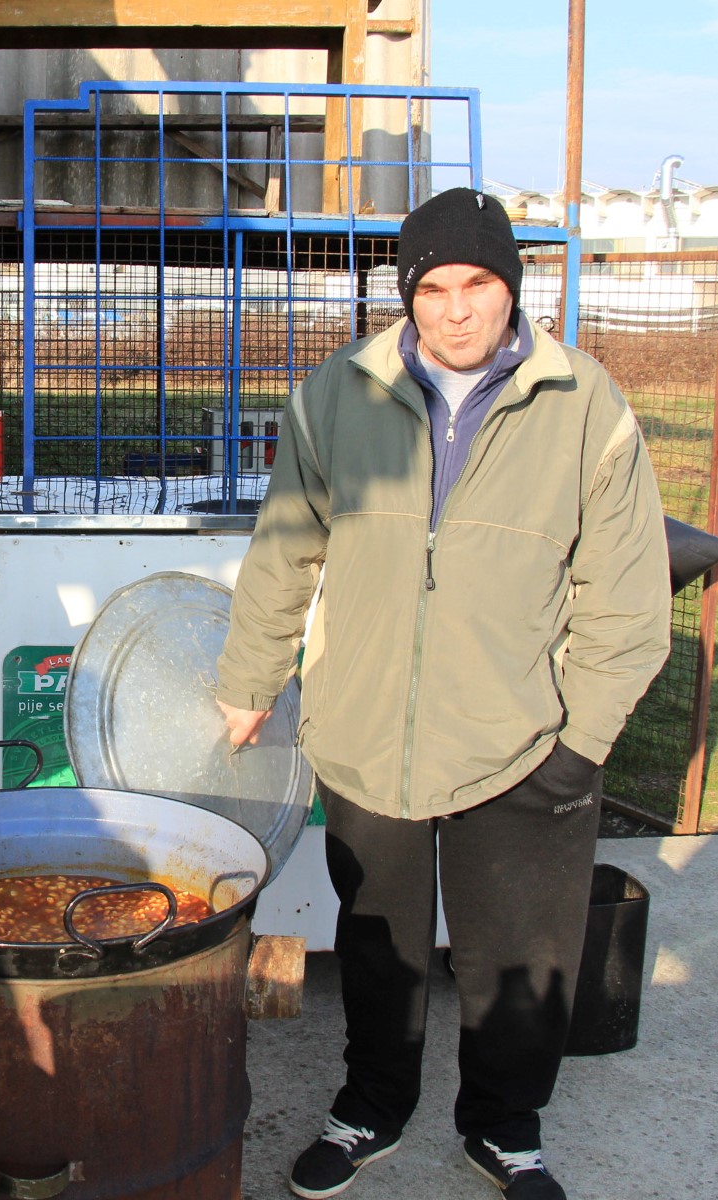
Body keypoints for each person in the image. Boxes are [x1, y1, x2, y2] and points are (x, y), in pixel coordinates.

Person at [217, 188, 671, 1200]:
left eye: (477, 285)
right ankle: (370, 1104)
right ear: (404, 293)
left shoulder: (583, 406)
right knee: (378, 950)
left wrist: (579, 740)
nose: (455, 309)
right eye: (432, 286)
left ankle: (505, 1127)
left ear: (511, 288)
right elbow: (283, 554)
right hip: (366, 732)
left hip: (520, 739)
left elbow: (627, 598)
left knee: (518, 960)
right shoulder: (334, 394)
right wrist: (251, 680)